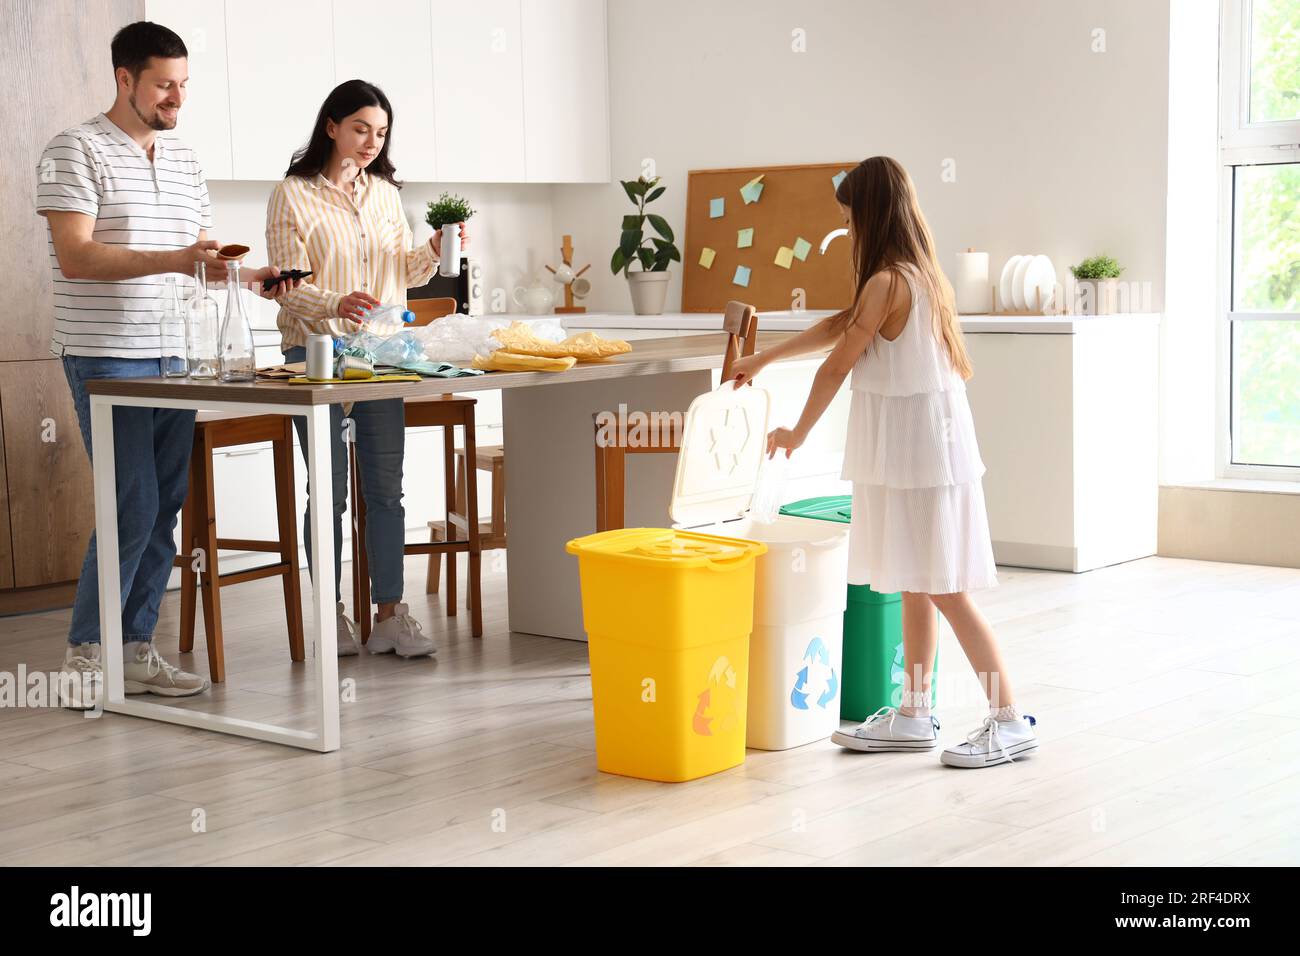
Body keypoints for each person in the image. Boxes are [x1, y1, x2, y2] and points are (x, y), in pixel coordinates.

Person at [728, 156, 1038, 768]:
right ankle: (915, 712)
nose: (847, 226)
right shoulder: (915, 276)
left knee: (945, 589)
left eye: (849, 215)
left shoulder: (888, 281)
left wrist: (794, 432)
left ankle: (1010, 719)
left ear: (869, 212)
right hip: (915, 454)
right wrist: (763, 361)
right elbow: (840, 327)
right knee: (916, 584)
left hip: (921, 457)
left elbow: (837, 363)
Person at [39, 21, 300, 709]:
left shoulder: (184, 160)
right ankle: (85, 654)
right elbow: (78, 256)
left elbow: (200, 257)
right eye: (163, 85)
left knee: (165, 504)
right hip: (105, 353)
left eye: (183, 85)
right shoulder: (74, 150)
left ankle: (134, 648)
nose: (176, 98)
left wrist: (248, 276)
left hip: (174, 352)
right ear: (125, 79)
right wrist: (181, 259)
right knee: (131, 501)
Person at [265, 79, 469, 658]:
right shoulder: (292, 194)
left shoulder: (383, 193)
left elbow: (404, 268)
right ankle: (330, 615)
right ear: (331, 126)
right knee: (327, 491)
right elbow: (286, 283)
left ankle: (390, 614)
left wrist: (433, 247)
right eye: (361, 129)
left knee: (386, 489)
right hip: (316, 354)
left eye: (380, 133)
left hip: (383, 355)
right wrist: (335, 303)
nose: (371, 142)